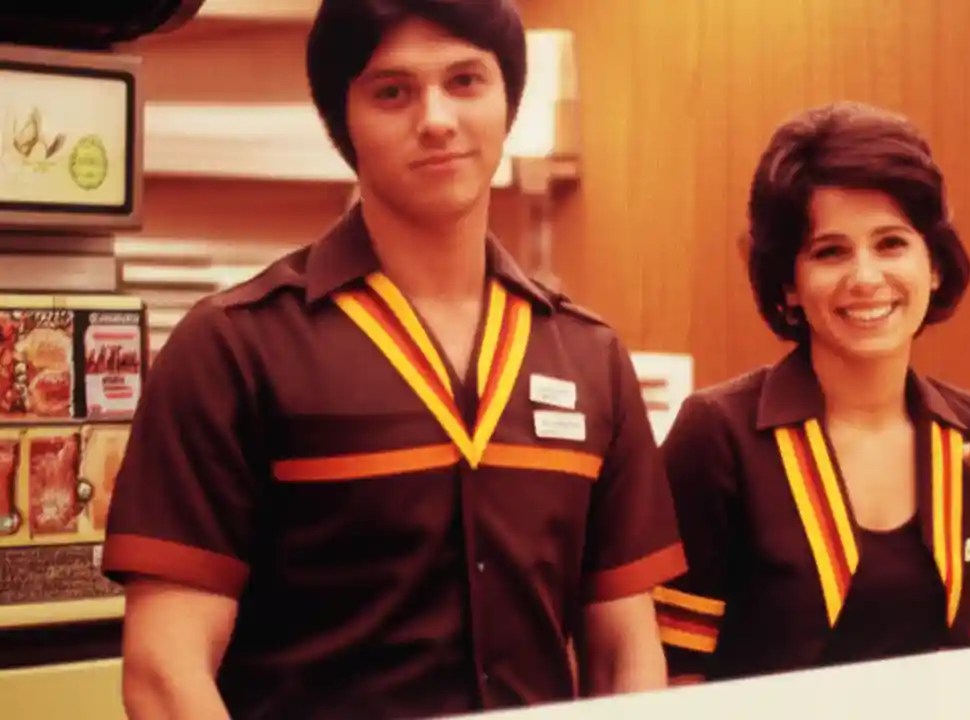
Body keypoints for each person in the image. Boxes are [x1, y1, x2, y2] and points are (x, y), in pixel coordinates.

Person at [101, 1, 686, 717]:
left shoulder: (589, 358)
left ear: (509, 103)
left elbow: (625, 651)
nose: (436, 119)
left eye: (466, 81)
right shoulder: (231, 350)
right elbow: (165, 675)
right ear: (342, 122)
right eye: (392, 91)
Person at [653, 102, 970, 683]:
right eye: (830, 251)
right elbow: (672, 680)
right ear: (789, 284)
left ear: (933, 263)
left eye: (891, 244)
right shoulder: (718, 436)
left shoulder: (969, 434)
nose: (866, 277)